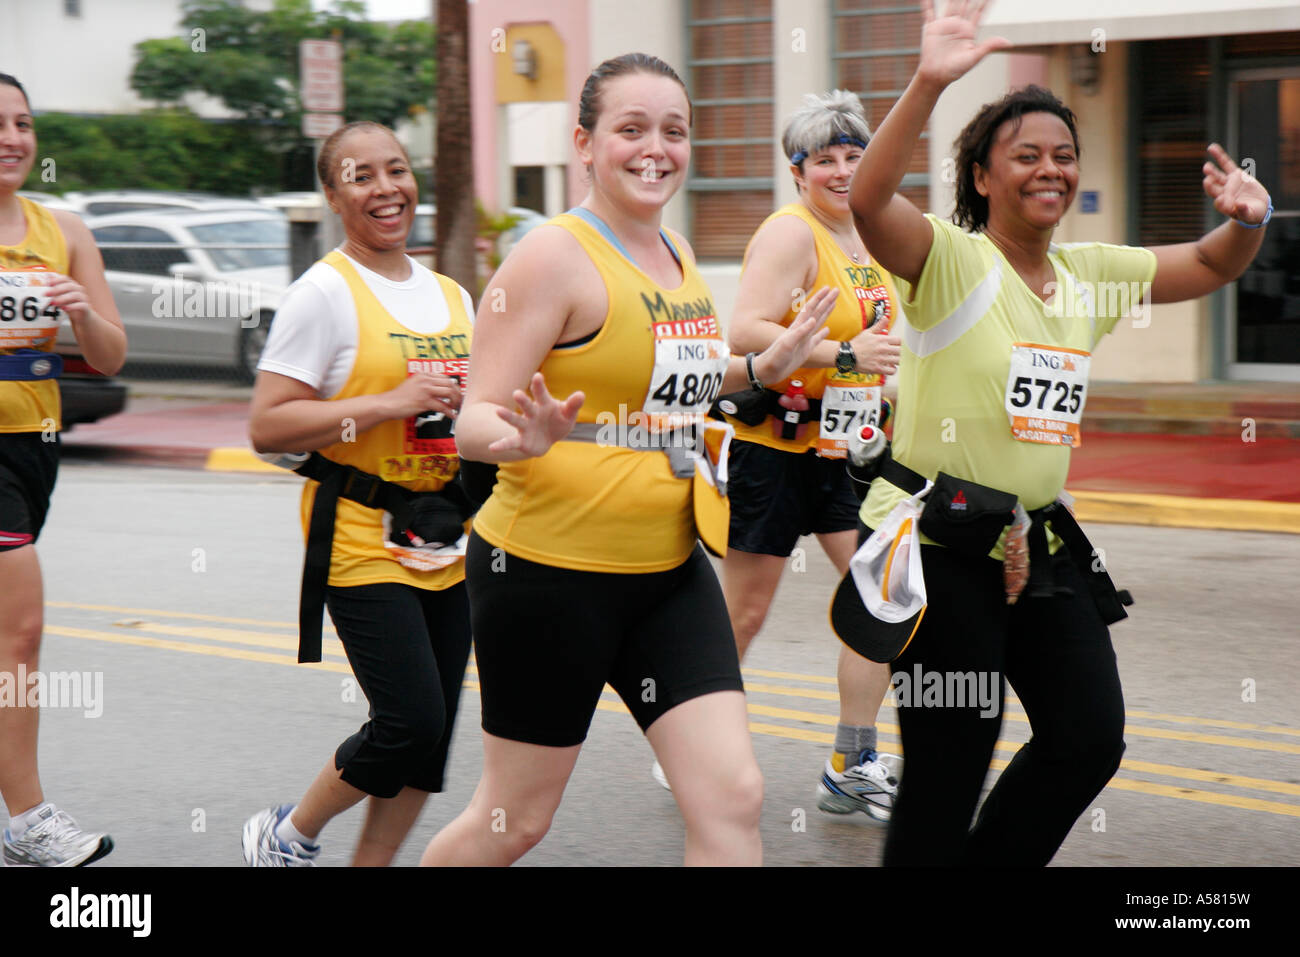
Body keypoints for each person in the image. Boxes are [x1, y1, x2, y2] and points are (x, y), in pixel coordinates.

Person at [847, 0, 1273, 865]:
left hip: (1034, 539)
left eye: (1064, 155)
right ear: (983, 178)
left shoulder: (1088, 275)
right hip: (936, 539)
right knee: (949, 762)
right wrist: (931, 78)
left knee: (1087, 735)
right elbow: (868, 198)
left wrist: (1247, 219)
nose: (1051, 169)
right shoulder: (951, 259)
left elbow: (1204, 263)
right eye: (1026, 156)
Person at [419, 53, 834, 867]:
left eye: (673, 132)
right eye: (631, 129)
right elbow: (471, 418)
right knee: (516, 818)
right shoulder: (550, 257)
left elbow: (673, 379)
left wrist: (764, 368)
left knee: (732, 794)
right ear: (585, 142)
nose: (656, 149)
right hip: (544, 573)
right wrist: (519, 438)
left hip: (667, 571)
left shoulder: (675, 253)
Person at [242, 121, 476, 866]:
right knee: (408, 720)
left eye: (397, 170)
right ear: (334, 193)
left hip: (448, 540)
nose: (386, 189)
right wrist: (386, 401)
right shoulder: (323, 293)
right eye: (362, 175)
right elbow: (268, 426)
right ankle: (288, 833)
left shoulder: (453, 297)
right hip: (359, 542)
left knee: (430, 738)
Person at [707, 90, 904, 821]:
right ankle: (696, 742)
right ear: (797, 170)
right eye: (826, 158)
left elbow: (882, 347)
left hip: (847, 453)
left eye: (855, 154)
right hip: (776, 450)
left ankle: (851, 763)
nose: (844, 169)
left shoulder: (869, 237)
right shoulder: (792, 234)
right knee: (747, 612)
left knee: (884, 597)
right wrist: (843, 350)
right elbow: (746, 331)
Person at [0, 74, 125, 867]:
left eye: (22, 123)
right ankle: (29, 816)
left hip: (33, 449)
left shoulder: (64, 229)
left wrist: (81, 309)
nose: (11, 138)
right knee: (22, 629)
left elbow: (111, 354)